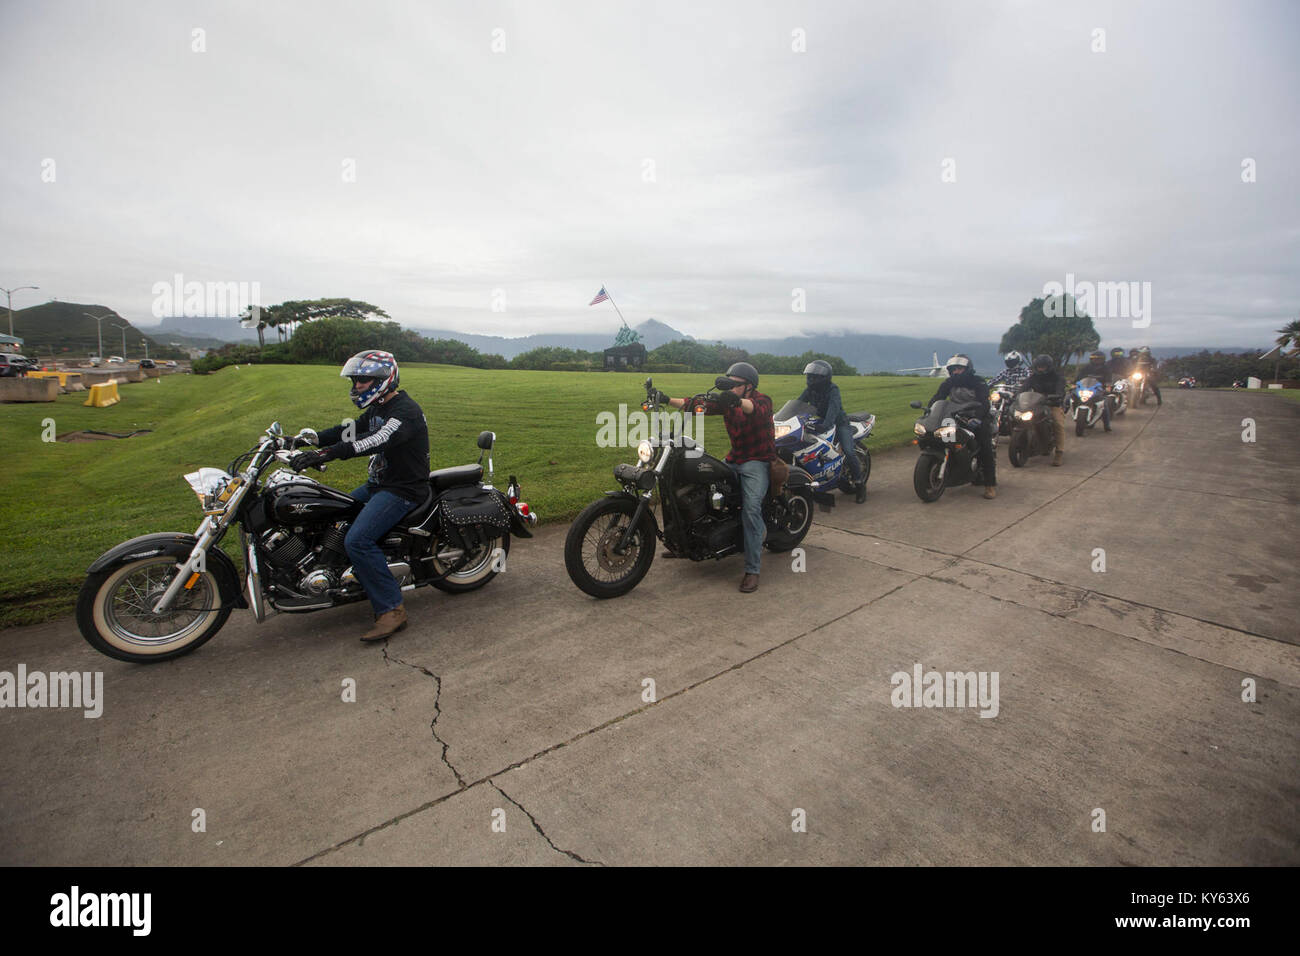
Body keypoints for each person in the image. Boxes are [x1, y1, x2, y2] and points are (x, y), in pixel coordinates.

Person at [289, 350, 431, 642]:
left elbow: (375, 440)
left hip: (402, 489)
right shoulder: (378, 407)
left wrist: (324, 454)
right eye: (354, 381)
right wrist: (303, 439)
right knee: (332, 516)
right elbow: (350, 431)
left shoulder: (406, 411)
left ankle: (392, 609)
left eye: (363, 381)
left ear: (383, 380)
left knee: (358, 540)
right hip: (378, 484)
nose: (356, 387)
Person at [654, 362, 775, 592]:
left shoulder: (762, 400)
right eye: (727, 384)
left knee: (750, 509)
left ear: (749, 386)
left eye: (735, 385)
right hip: (734, 459)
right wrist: (667, 399)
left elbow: (755, 409)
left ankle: (752, 569)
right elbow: (697, 404)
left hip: (757, 462)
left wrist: (737, 401)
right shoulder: (727, 401)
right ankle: (684, 543)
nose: (729, 389)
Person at [926, 354, 997, 498]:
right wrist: (929, 412)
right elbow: (938, 398)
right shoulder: (948, 382)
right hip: (955, 416)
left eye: (959, 369)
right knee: (936, 436)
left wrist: (977, 417)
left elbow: (984, 403)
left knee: (985, 447)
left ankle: (990, 485)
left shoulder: (978, 382)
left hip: (977, 417)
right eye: (953, 369)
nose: (956, 372)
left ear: (967, 369)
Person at [797, 359, 866, 503]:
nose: (809, 379)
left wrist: (826, 425)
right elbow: (798, 404)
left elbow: (833, 409)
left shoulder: (833, 390)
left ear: (823, 378)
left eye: (813, 377)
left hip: (840, 423)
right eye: (808, 376)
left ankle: (860, 486)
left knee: (848, 451)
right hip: (821, 421)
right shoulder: (810, 390)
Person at [1022, 353, 1067, 466]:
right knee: (1021, 417)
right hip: (1036, 404)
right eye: (1039, 366)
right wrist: (1017, 396)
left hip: (1053, 404)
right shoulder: (1033, 377)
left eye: (1043, 366)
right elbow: (1024, 388)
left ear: (1048, 366)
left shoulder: (1057, 377)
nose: (1040, 368)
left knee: (1058, 423)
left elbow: (1060, 390)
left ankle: (1059, 452)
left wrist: (1057, 396)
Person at [1076, 349, 1113, 431]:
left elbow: (1109, 378)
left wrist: (1108, 386)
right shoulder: (1087, 367)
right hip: (1086, 387)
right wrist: (1074, 383)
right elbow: (1079, 376)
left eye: (1098, 359)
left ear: (1102, 359)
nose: (1096, 360)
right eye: (1094, 358)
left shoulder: (1106, 368)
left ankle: (1107, 425)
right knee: (1070, 397)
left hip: (1099, 389)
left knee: (1104, 405)